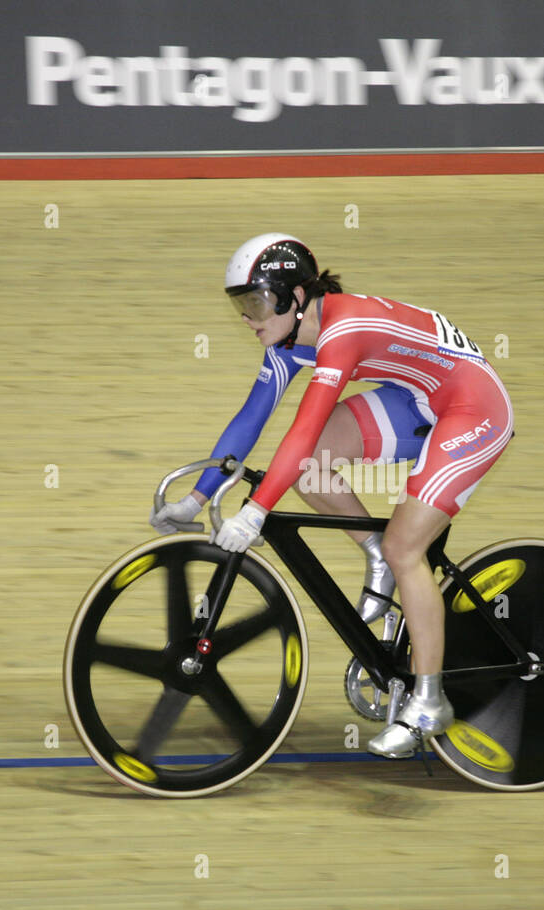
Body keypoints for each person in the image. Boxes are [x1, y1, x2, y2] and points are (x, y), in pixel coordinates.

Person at [150, 233, 514, 758]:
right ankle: (377, 556)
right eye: (241, 306)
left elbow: (303, 424)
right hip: (421, 398)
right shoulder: (291, 338)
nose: (248, 319)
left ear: (295, 298)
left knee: (406, 546)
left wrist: (255, 513)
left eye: (254, 304)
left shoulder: (343, 330)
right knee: (315, 464)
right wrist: (197, 498)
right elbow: (252, 418)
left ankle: (430, 701)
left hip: (475, 409)